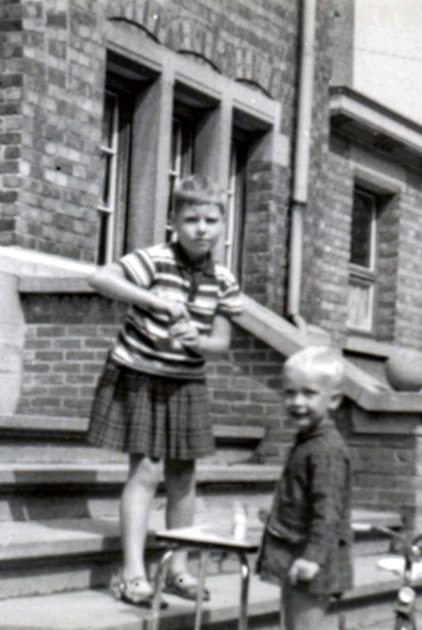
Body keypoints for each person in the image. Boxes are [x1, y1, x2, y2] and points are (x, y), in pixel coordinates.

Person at [86, 174, 243, 607]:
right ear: (174, 220)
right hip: (140, 373)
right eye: (191, 218)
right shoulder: (154, 260)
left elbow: (221, 344)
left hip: (186, 381)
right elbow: (100, 278)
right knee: (145, 471)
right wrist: (155, 301)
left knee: (184, 477)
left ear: (221, 224)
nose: (201, 228)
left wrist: (198, 341)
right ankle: (132, 573)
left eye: (211, 220)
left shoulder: (224, 279)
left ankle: (177, 568)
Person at [257, 346, 354, 630]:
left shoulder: (325, 450)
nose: (297, 402)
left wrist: (312, 557)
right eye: (290, 392)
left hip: (314, 558)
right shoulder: (309, 441)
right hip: (297, 553)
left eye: (309, 393)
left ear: (333, 399)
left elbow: (329, 511)